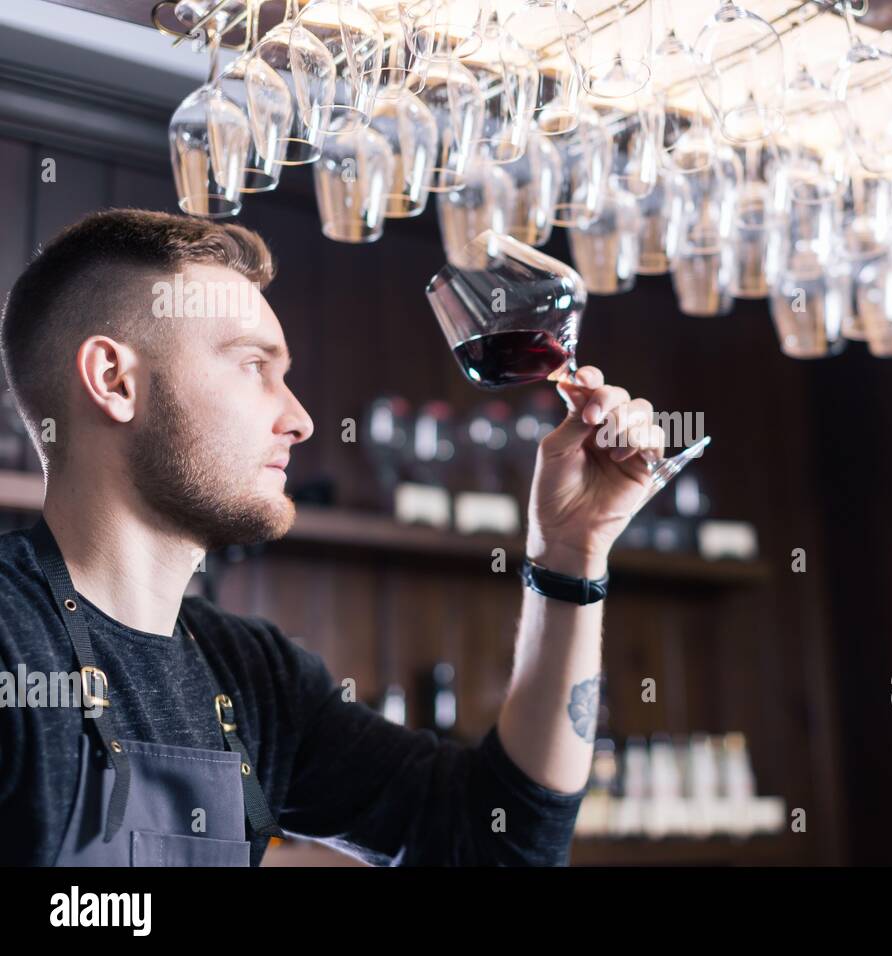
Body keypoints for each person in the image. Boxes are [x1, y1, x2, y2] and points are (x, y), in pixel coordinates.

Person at [0, 208, 668, 866]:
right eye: (254, 366)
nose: (299, 419)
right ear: (116, 381)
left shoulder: (251, 673)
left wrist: (569, 555)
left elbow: (496, 842)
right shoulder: (11, 644)